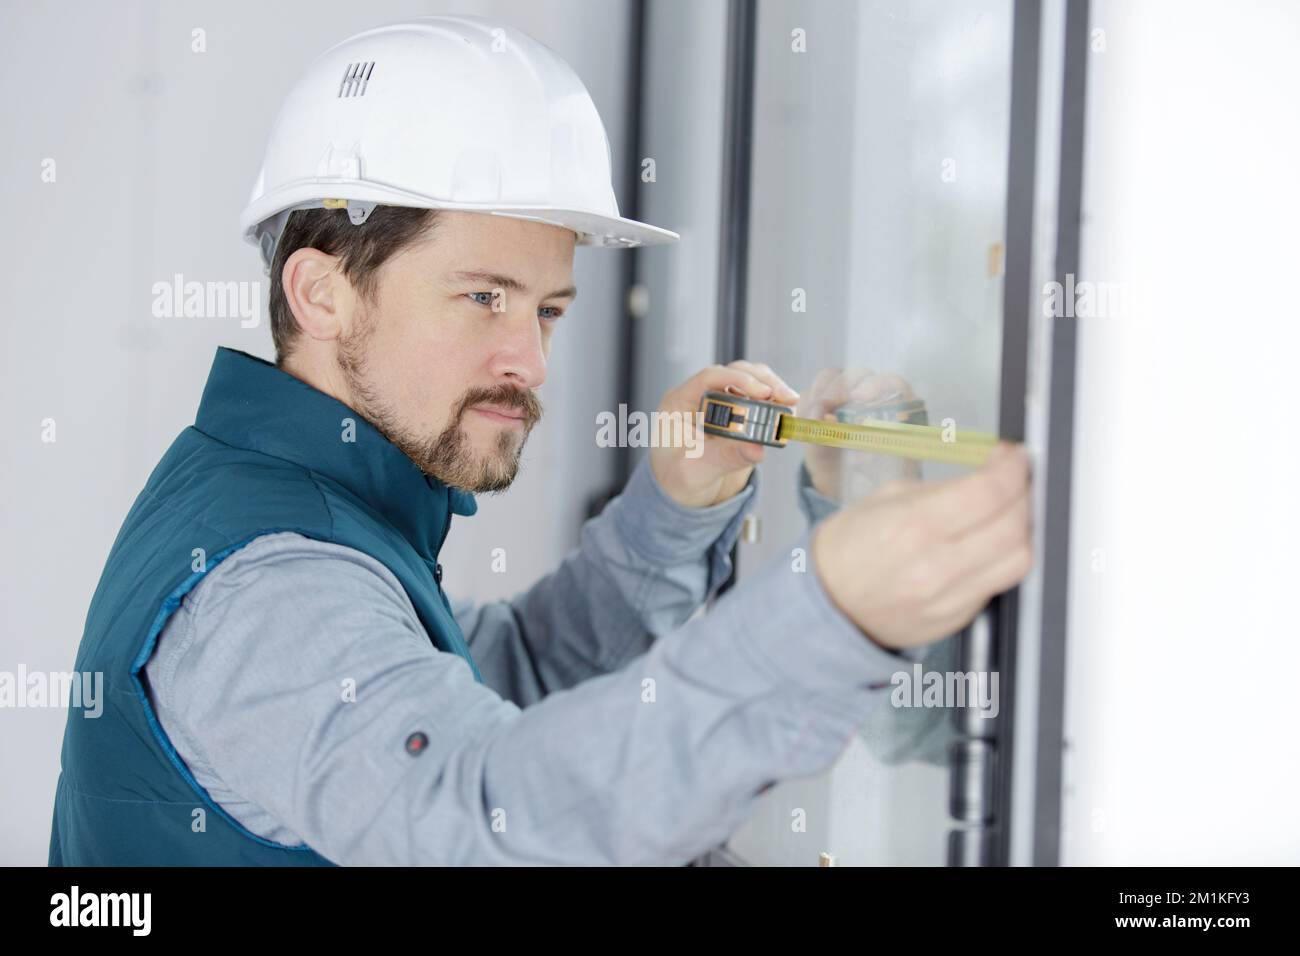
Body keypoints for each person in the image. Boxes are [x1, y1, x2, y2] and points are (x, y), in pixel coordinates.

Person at [48, 16, 1032, 866]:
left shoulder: (294, 503)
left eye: (549, 310)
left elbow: (494, 679)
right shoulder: (274, 587)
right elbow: (489, 817)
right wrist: (824, 618)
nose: (530, 360)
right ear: (322, 292)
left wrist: (671, 512)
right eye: (484, 297)